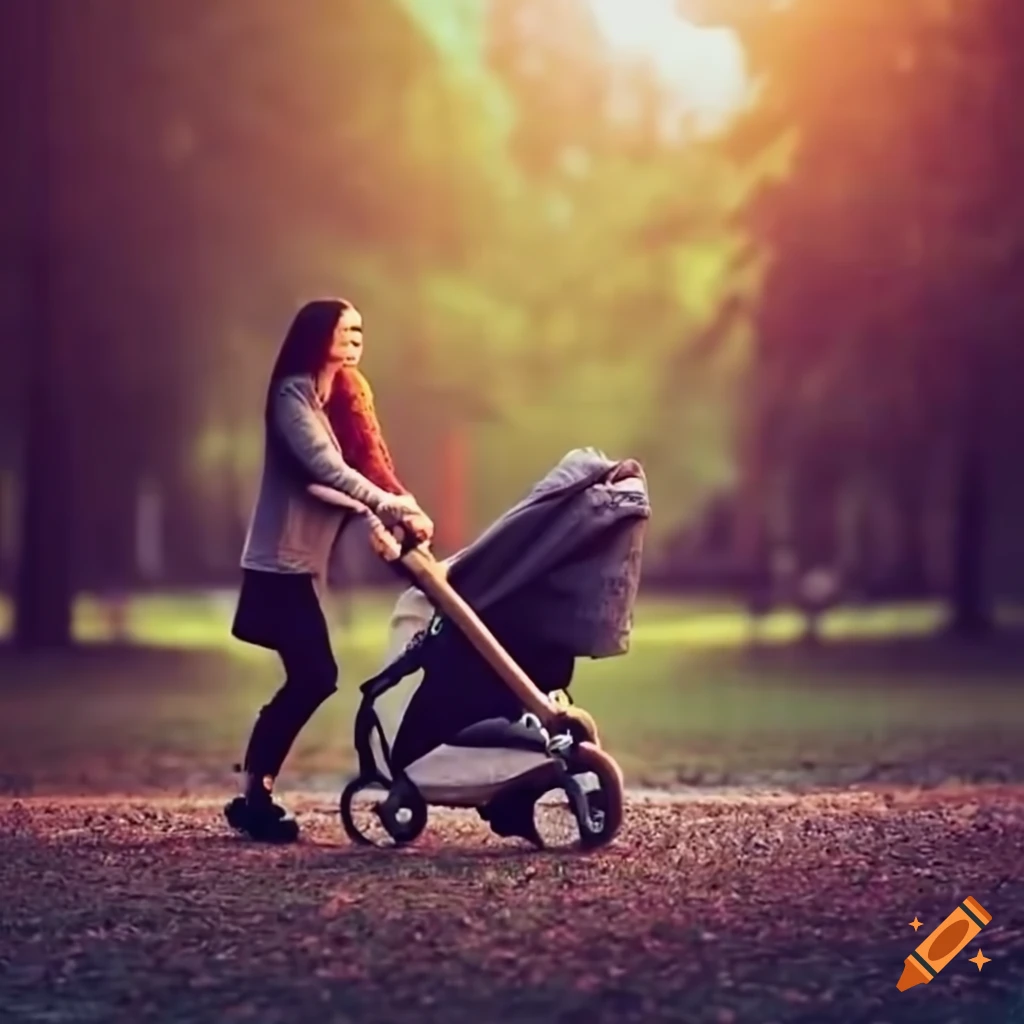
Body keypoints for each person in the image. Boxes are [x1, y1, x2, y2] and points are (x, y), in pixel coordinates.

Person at [225, 298, 433, 842]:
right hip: (279, 565)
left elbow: (366, 462)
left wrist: (397, 503)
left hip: (302, 566)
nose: (356, 336)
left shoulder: (339, 396)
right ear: (318, 335)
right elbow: (323, 468)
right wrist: (384, 507)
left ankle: (253, 791)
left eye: (361, 328)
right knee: (315, 675)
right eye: (345, 329)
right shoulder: (292, 395)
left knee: (310, 676)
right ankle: (255, 794)